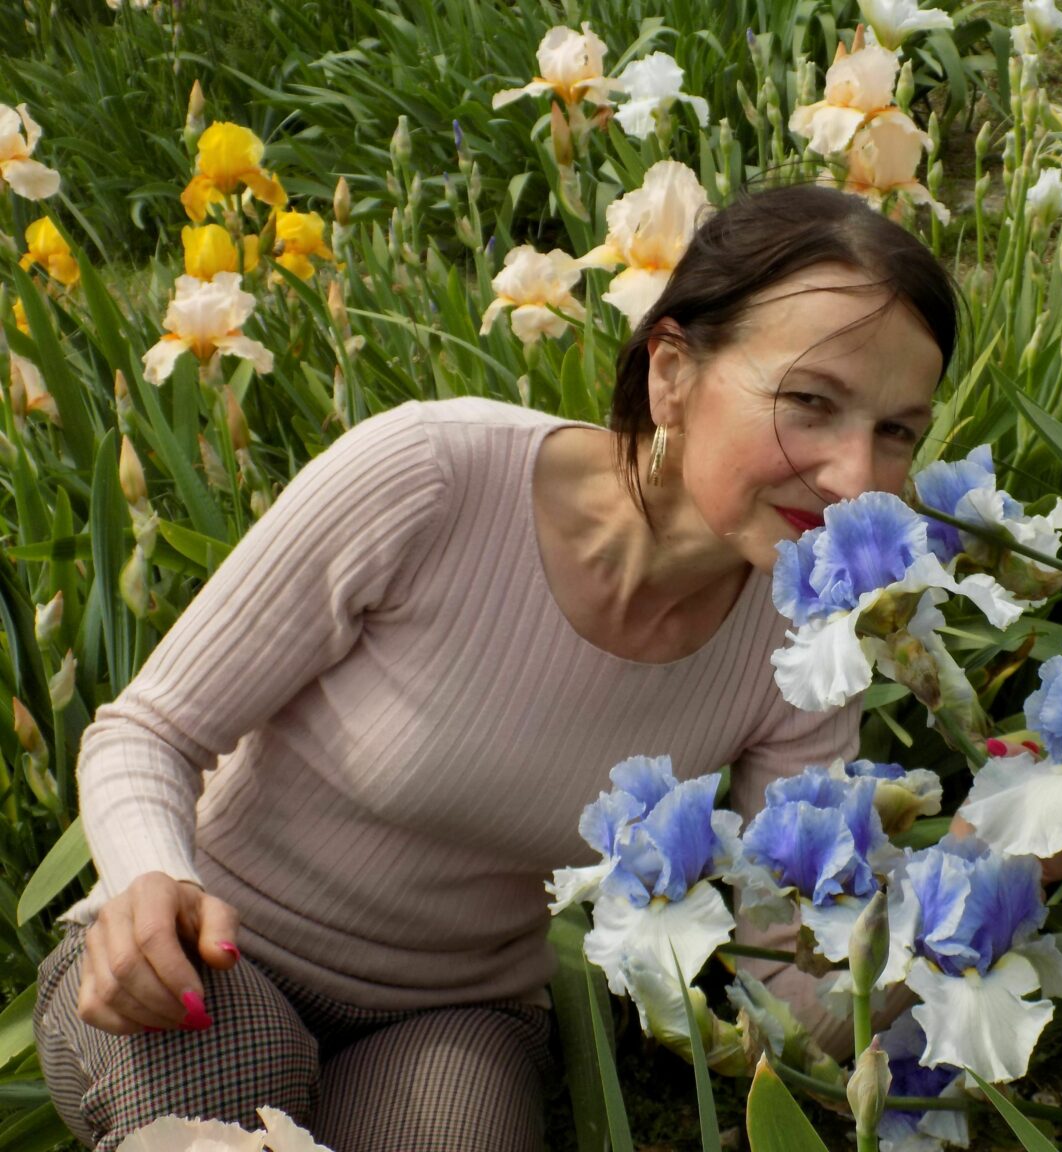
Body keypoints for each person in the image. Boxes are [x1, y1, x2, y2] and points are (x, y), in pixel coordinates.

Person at [32, 182, 959, 1151]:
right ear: (673, 373)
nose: (856, 476)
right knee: (229, 1086)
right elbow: (148, 733)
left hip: (446, 1017)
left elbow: (791, 988)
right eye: (810, 402)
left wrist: (977, 878)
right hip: (210, 954)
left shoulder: (808, 643)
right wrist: (148, 885)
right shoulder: (435, 477)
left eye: (896, 430)